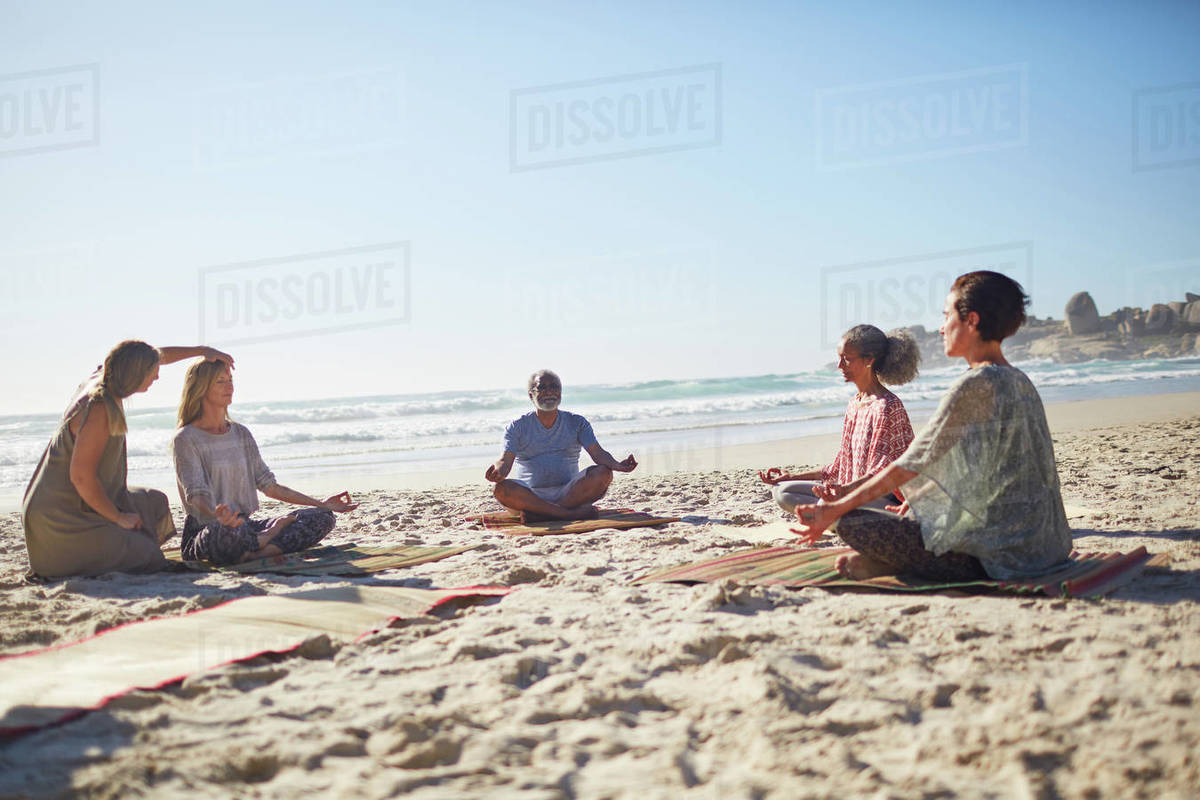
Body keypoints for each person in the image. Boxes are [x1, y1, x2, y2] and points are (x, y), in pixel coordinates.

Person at [791, 271, 1073, 582]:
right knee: (892, 517)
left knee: (848, 521)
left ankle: (898, 565)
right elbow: (976, 471)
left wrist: (835, 509)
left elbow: (910, 465)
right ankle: (892, 562)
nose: (941, 328)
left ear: (972, 321)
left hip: (1005, 556)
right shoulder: (1021, 380)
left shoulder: (977, 384)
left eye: (946, 315)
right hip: (1050, 546)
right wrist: (917, 505)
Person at [22, 342, 232, 578]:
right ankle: (119, 548)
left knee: (155, 503)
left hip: (81, 504)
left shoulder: (108, 375)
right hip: (61, 522)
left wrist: (202, 351)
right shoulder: (99, 406)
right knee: (148, 555)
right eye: (153, 371)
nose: (157, 375)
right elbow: (81, 477)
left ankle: (122, 545)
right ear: (136, 373)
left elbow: (156, 356)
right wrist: (118, 517)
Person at [171, 360, 358, 565]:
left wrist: (321, 504)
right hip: (208, 529)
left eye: (230, 380)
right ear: (201, 388)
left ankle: (258, 551)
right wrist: (218, 514)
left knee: (322, 517)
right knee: (227, 531)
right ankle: (265, 539)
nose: (230, 386)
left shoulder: (240, 433)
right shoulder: (186, 438)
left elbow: (269, 486)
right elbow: (196, 494)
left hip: (245, 526)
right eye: (220, 381)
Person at [760, 325, 919, 515]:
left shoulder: (887, 406)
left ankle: (836, 515)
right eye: (840, 358)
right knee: (782, 490)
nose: (840, 366)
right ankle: (834, 515)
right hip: (850, 493)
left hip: (886, 500)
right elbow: (838, 466)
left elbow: (881, 473)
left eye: (847, 359)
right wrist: (790, 476)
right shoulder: (854, 403)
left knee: (821, 506)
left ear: (869, 360)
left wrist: (845, 491)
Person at [486, 369, 637, 521]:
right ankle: (567, 514)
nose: (549, 391)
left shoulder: (577, 422)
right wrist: (498, 473)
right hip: (530, 496)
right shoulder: (517, 426)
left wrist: (617, 465)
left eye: (554, 387)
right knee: (501, 489)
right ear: (531, 395)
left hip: (570, 493)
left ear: (560, 393)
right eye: (542, 387)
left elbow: (598, 453)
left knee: (604, 473)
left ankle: (543, 514)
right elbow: (505, 461)